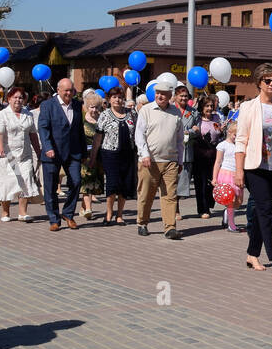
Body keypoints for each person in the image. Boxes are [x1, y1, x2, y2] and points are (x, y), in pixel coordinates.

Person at [233, 63, 272, 275]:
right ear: (259, 83)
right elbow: (241, 140)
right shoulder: (248, 107)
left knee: (262, 210)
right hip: (255, 167)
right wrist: (239, 171)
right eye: (267, 81)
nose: (271, 84)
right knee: (267, 210)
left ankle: (252, 254)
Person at [137, 76, 187, 239]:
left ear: (169, 95)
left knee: (170, 195)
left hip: (170, 161)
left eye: (163, 94)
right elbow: (139, 135)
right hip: (149, 161)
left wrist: (180, 160)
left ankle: (170, 227)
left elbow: (180, 140)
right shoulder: (146, 110)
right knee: (146, 194)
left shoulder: (175, 112)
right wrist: (144, 154)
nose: (159, 96)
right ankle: (142, 222)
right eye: (157, 93)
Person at [37, 77, 86, 232]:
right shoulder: (47, 105)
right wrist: (47, 147)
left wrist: (84, 152)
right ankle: (54, 219)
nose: (69, 93)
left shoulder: (77, 105)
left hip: (73, 152)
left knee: (76, 181)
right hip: (53, 152)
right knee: (50, 187)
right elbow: (43, 128)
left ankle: (68, 214)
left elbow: (79, 130)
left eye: (71, 90)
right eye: (66, 90)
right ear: (58, 90)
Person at [0, 87, 42, 223]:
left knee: (26, 181)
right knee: (7, 184)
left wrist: (38, 151)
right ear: (9, 99)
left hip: (25, 155)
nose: (18, 100)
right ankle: (5, 212)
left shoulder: (28, 114)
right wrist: (0, 148)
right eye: (15, 97)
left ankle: (23, 213)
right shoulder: (2, 115)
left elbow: (33, 135)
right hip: (7, 156)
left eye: (20, 97)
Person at [91, 87, 136, 225]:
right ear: (109, 99)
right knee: (112, 184)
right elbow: (98, 137)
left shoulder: (132, 113)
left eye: (120, 97)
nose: (117, 100)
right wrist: (93, 156)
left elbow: (138, 134)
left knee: (124, 185)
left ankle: (120, 215)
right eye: (114, 97)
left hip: (128, 154)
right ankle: (109, 213)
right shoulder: (104, 115)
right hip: (110, 154)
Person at [189, 96, 224, 220]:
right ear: (202, 107)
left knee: (212, 182)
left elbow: (220, 135)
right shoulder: (197, 119)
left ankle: (209, 203)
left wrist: (222, 131)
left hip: (213, 153)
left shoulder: (216, 117)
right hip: (200, 153)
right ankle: (203, 209)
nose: (209, 108)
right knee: (201, 183)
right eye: (206, 106)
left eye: (211, 106)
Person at [79, 91, 105, 219]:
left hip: (99, 155)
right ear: (87, 107)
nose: (94, 110)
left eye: (96, 107)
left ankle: (83, 207)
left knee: (95, 182)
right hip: (86, 155)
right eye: (91, 107)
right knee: (86, 182)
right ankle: (89, 209)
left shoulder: (102, 119)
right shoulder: (82, 120)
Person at [213, 121, 244, 231]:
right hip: (226, 174)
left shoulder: (240, 146)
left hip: (237, 174)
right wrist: (214, 178)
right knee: (231, 200)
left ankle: (227, 213)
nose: (237, 138)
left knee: (239, 201)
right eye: (235, 135)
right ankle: (231, 225)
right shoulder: (222, 145)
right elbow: (217, 162)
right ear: (229, 132)